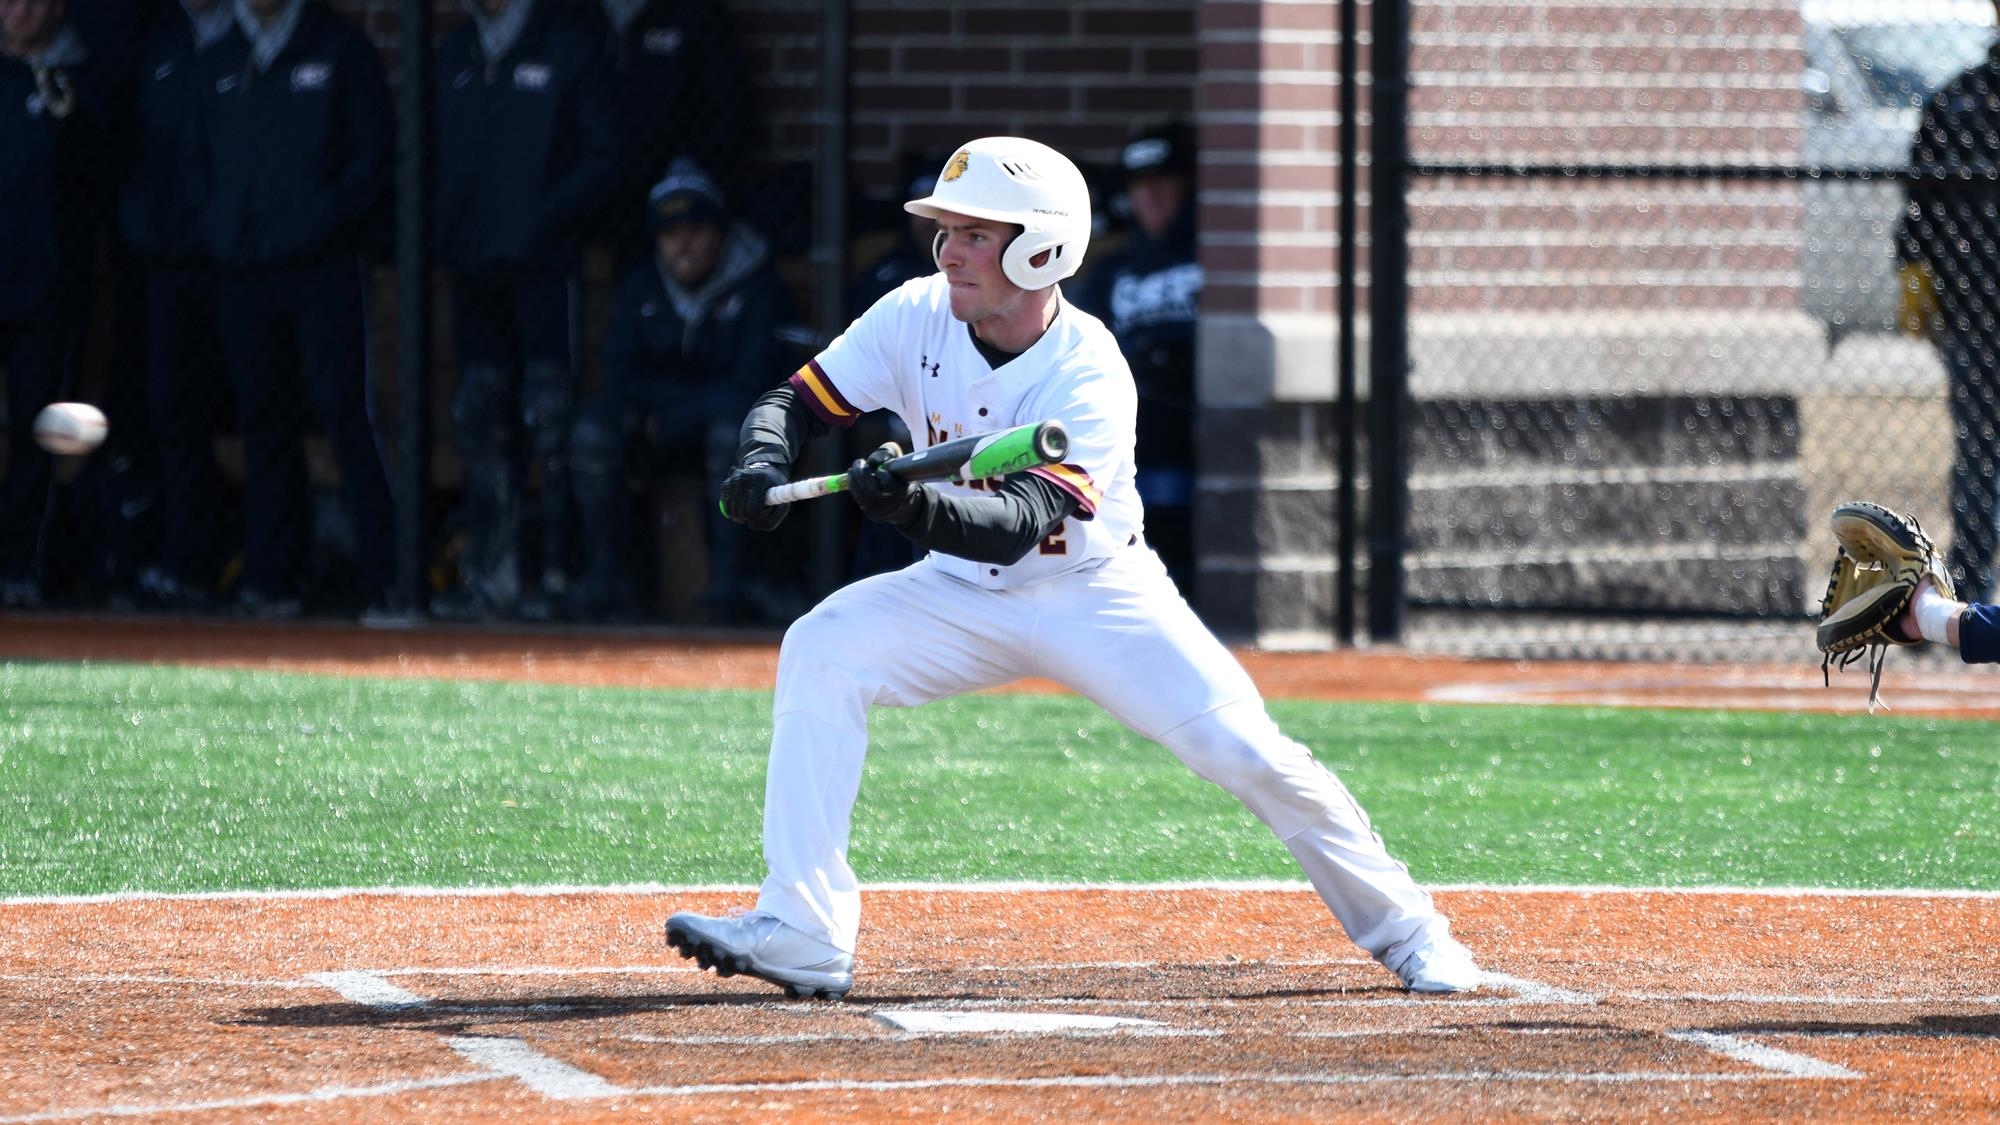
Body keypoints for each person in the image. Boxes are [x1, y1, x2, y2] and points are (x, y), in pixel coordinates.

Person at [663, 137, 1482, 1000]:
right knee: (822, 644)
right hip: (958, 593)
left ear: (1042, 246)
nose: (950, 252)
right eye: (947, 231)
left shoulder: (1090, 370)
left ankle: (1412, 931)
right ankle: (802, 928)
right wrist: (760, 462)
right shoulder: (914, 311)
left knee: (1244, 750)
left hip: (1096, 594)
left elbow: (1021, 522)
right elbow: (799, 401)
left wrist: (910, 506)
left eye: (977, 234)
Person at [194, 0, 396, 618]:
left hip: (322, 269)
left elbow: (372, 156)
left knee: (343, 415)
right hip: (243, 270)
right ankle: (272, 577)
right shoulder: (221, 54)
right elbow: (197, 157)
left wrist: (319, 222)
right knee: (263, 421)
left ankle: (389, 577)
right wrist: (221, 227)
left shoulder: (339, 49)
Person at [433, 0, 620, 621]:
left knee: (551, 419)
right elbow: (427, 156)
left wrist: (538, 219)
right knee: (480, 418)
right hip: (472, 268)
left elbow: (602, 156)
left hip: (547, 268)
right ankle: (493, 578)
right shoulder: (453, 52)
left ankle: (561, 578)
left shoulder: (568, 44)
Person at [568, 164, 798, 622]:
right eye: (670, 233)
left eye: (695, 230)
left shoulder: (757, 285)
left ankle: (729, 590)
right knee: (593, 434)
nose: (683, 245)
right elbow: (619, 375)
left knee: (731, 436)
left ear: (719, 233)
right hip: (654, 434)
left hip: (719, 430)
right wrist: (667, 413)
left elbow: (754, 384)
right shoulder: (640, 287)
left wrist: (672, 414)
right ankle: (609, 583)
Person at [118, 0, 235, 610]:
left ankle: (267, 569)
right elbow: (137, 145)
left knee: (260, 415)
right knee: (172, 412)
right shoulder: (159, 40)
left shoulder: (251, 40)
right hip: (168, 262)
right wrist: (145, 227)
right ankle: (183, 559)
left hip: (243, 264)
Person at [0, 0, 112, 607]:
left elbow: (101, 181)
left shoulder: (83, 79)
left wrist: (71, 118)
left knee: (35, 439)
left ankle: (21, 567)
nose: (18, 12)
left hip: (47, 297)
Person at [1072, 121, 1201, 597]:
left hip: (1197, 435)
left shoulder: (1220, 258)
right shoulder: (1112, 270)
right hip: (1134, 441)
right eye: (1140, 187)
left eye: (1165, 184)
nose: (1152, 197)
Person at [1897, 19, 2000, 602]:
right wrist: (1914, 277)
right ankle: (1973, 587)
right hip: (1973, 309)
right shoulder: (1957, 103)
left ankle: (1973, 588)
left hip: (1969, 308)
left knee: (1979, 453)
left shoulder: (1955, 101)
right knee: (1979, 453)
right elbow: (1919, 206)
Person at [582, 0, 747, 268]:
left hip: (675, 208)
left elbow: (729, 114)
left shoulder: (695, 15)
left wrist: (682, 183)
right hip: (593, 209)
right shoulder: (583, 16)